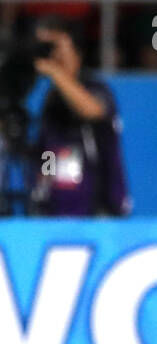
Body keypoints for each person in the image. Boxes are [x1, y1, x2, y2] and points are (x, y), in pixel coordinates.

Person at [28, 25, 130, 217]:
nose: (53, 56)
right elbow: (48, 150)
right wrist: (42, 192)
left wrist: (56, 72)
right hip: (55, 214)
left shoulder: (96, 89)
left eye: (57, 46)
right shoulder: (51, 100)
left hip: (98, 212)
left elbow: (91, 111)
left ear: (78, 54)